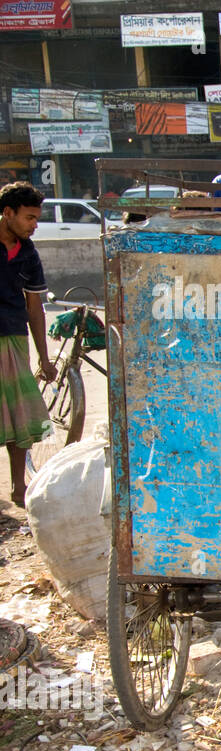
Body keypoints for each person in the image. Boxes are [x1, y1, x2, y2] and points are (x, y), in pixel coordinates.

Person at [0, 182, 57, 509]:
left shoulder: (28, 253)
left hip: (14, 335)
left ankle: (18, 486)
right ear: (8, 213)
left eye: (36, 218)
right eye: (29, 218)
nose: (34, 225)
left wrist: (44, 358)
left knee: (18, 416)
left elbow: (35, 308)